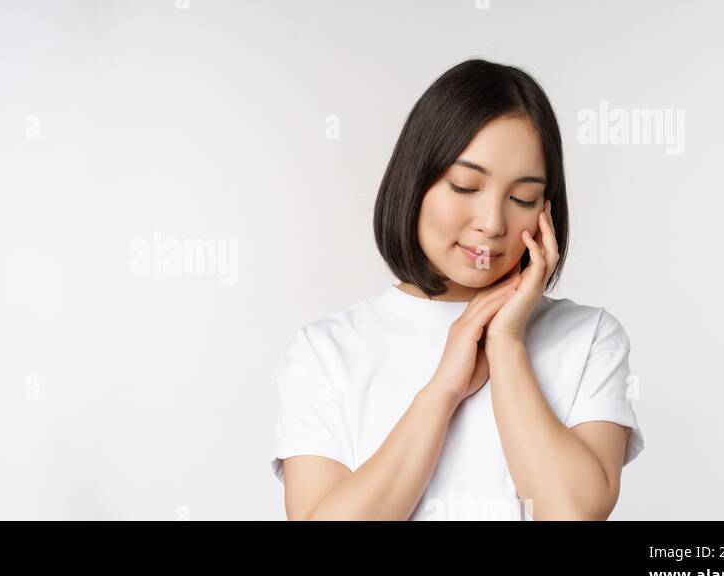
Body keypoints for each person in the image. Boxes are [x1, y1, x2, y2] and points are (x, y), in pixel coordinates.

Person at [271, 59, 644, 520]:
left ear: (546, 211)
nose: (491, 223)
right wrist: (444, 389)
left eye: (522, 198)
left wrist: (506, 344)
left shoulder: (589, 338)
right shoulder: (324, 351)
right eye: (466, 186)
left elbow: (571, 515)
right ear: (416, 180)